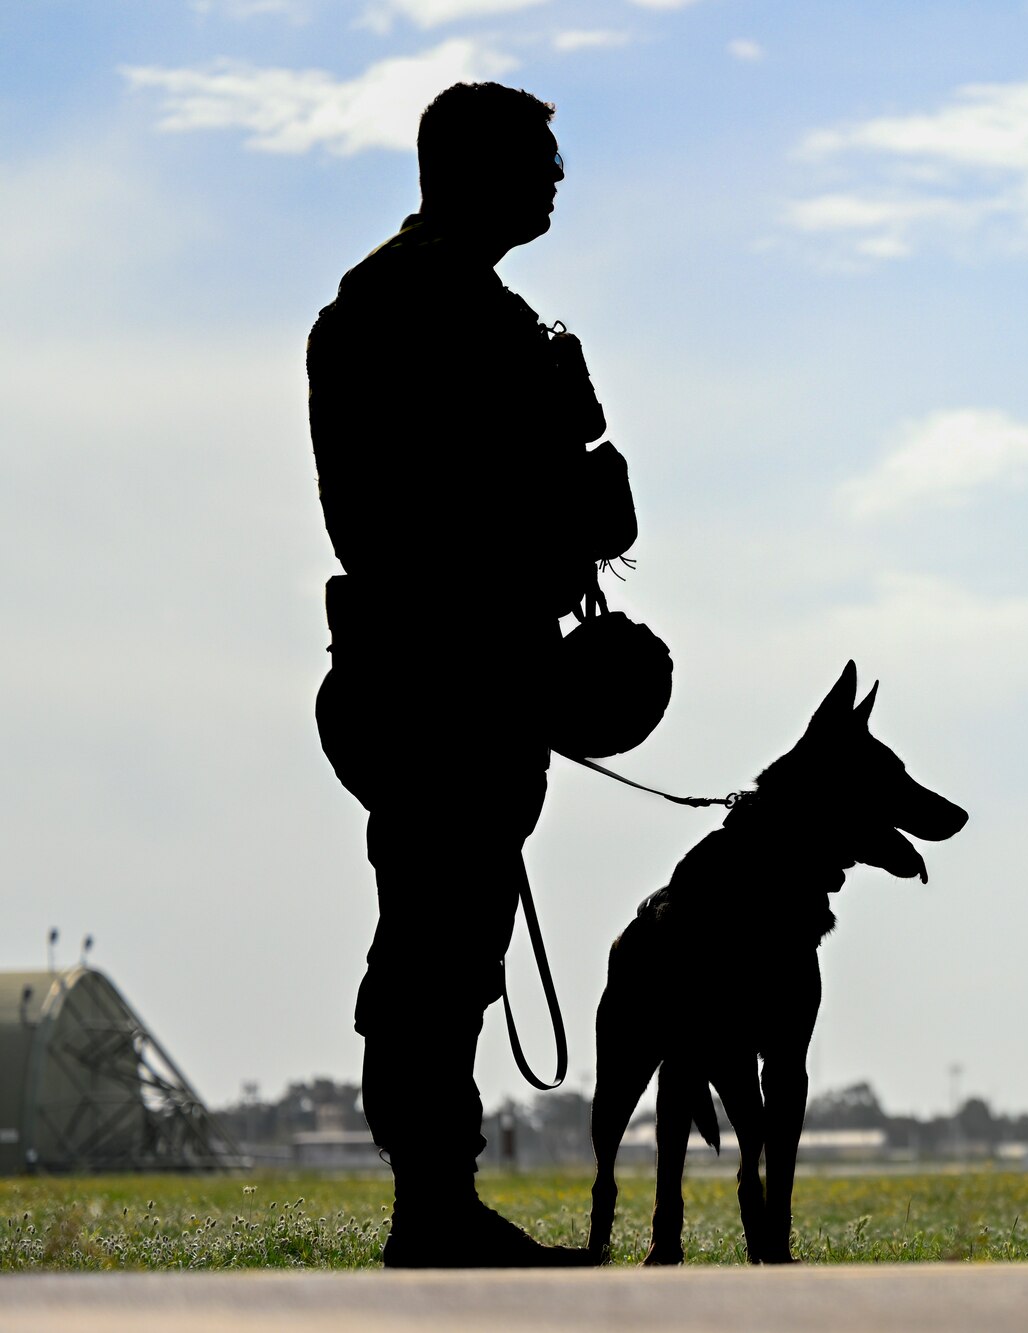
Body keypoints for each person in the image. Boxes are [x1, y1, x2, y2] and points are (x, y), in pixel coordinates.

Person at [306, 82, 610, 1268]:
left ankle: (438, 1202)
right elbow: (393, 520)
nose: (557, 177)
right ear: (471, 167)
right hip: (435, 677)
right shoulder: (400, 310)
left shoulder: (479, 311)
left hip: (476, 673)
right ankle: (432, 1206)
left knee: (455, 934)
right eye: (539, 157)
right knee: (434, 944)